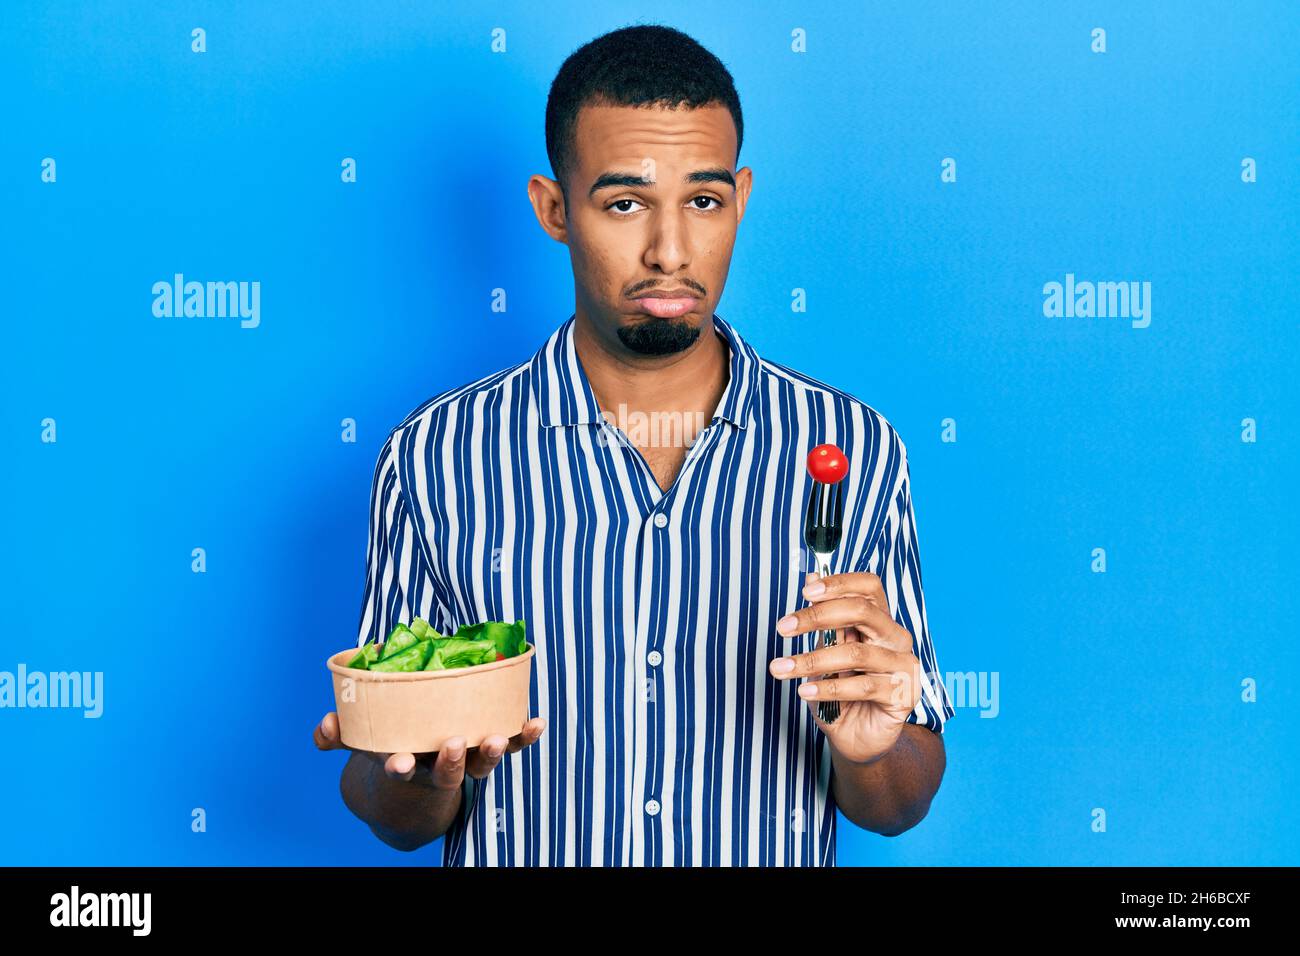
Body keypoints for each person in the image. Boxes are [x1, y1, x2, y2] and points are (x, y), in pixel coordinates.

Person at [315, 22, 954, 866]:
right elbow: (388, 804)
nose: (671, 251)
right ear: (553, 210)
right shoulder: (436, 456)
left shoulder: (852, 449)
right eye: (624, 203)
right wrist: (422, 776)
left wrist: (870, 747)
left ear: (742, 197)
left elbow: (899, 802)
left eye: (704, 200)